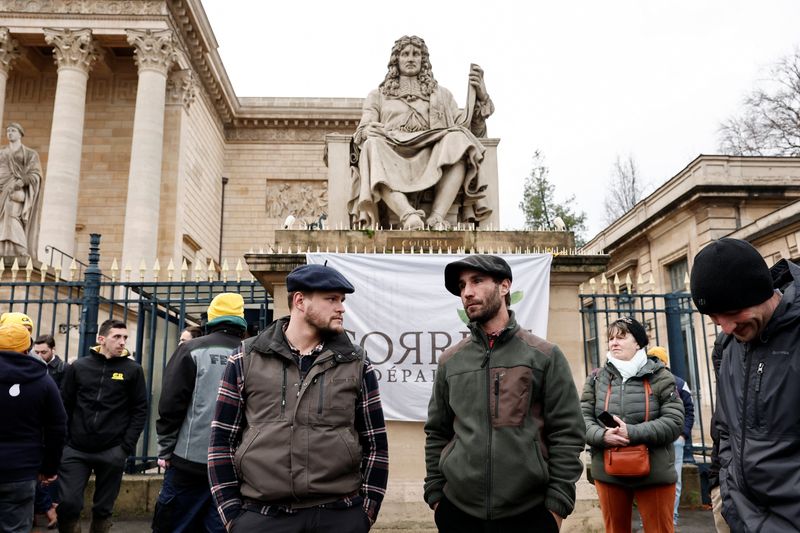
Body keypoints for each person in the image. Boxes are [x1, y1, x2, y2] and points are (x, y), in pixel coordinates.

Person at [208, 264, 388, 532]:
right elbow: (221, 441)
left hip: (339, 515)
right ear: (300, 301)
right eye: (331, 299)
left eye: (342, 300)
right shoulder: (246, 357)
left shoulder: (355, 361)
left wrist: (365, 514)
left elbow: (376, 444)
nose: (341, 308)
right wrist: (232, 516)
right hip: (262, 516)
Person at [424, 255, 585, 532]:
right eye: (462, 285)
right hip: (458, 512)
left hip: (530, 514)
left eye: (477, 281)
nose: (467, 292)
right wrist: (437, 495)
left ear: (504, 286)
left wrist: (556, 506)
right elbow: (437, 431)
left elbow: (567, 433)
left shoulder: (544, 355)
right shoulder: (451, 361)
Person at [690, 237, 800, 531]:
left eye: (732, 313)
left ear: (760, 293)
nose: (726, 328)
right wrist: (720, 489)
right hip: (736, 514)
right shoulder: (726, 346)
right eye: (715, 319)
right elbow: (724, 426)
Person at [350, 35, 494, 230]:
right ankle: (408, 215)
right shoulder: (378, 95)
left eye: (416, 54)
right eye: (405, 54)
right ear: (396, 60)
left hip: (431, 150)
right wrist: (368, 129)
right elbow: (364, 128)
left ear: (423, 60)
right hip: (392, 150)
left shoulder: (442, 95)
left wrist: (481, 98)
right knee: (370, 145)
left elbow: (469, 130)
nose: (410, 58)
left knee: (459, 139)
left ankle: (436, 217)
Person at [153, 293, 248, 533]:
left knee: (176, 525)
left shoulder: (191, 349)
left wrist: (165, 448)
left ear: (211, 317)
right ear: (241, 318)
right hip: (234, 464)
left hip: (188, 461)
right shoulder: (252, 354)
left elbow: (170, 405)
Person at [581, 317, 684, 533]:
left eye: (621, 337)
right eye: (611, 338)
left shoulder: (661, 376)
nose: (614, 343)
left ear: (638, 342)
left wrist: (632, 432)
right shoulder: (596, 378)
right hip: (608, 471)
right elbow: (582, 419)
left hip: (655, 472)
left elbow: (674, 422)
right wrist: (602, 436)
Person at [57, 319, 148, 533]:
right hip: (76, 449)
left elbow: (140, 410)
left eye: (125, 337)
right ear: (101, 339)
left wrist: (125, 447)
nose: (122, 342)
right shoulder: (79, 367)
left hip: (112, 450)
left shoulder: (133, 370)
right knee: (68, 504)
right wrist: (65, 441)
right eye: (116, 337)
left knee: (103, 509)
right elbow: (64, 405)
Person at [0, 322, 66, 533]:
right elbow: (57, 428)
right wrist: (49, 468)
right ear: (26, 349)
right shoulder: (43, 381)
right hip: (22, 470)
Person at [648, 345, 695, 528]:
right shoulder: (678, 383)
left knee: (665, 481)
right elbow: (690, 411)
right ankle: (667, 519)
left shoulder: (678, 383)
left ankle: (667, 519)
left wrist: (683, 434)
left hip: (667, 438)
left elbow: (689, 410)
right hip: (660, 437)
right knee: (670, 481)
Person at [0, 122, 42, 257]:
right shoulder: (2, 152)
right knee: (2, 219)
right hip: (2, 188)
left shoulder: (30, 153)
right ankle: (3, 248)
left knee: (13, 215)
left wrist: (22, 181)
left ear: (20, 134)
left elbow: (36, 174)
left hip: (16, 189)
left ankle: (21, 247)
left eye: (13, 130)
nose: (10, 133)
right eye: (8, 131)